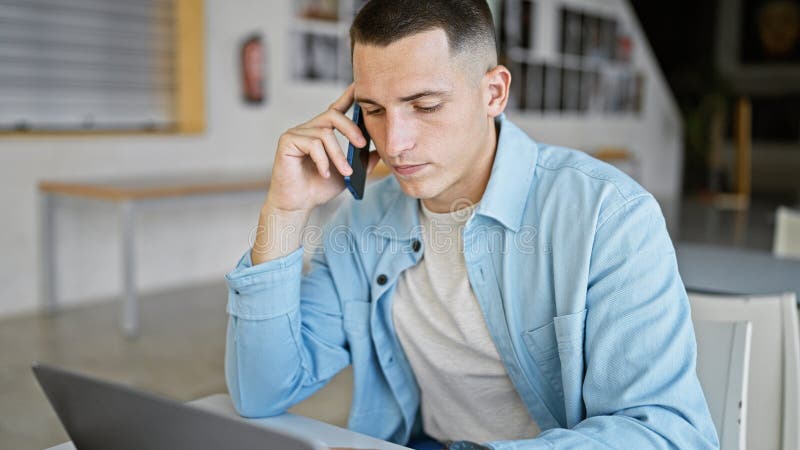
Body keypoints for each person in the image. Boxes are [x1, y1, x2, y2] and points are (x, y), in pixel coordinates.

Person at [224, 1, 719, 449]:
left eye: (425, 106)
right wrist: (284, 212)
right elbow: (261, 390)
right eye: (373, 110)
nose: (395, 144)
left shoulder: (608, 216)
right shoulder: (364, 220)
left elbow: (664, 435)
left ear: (494, 93)